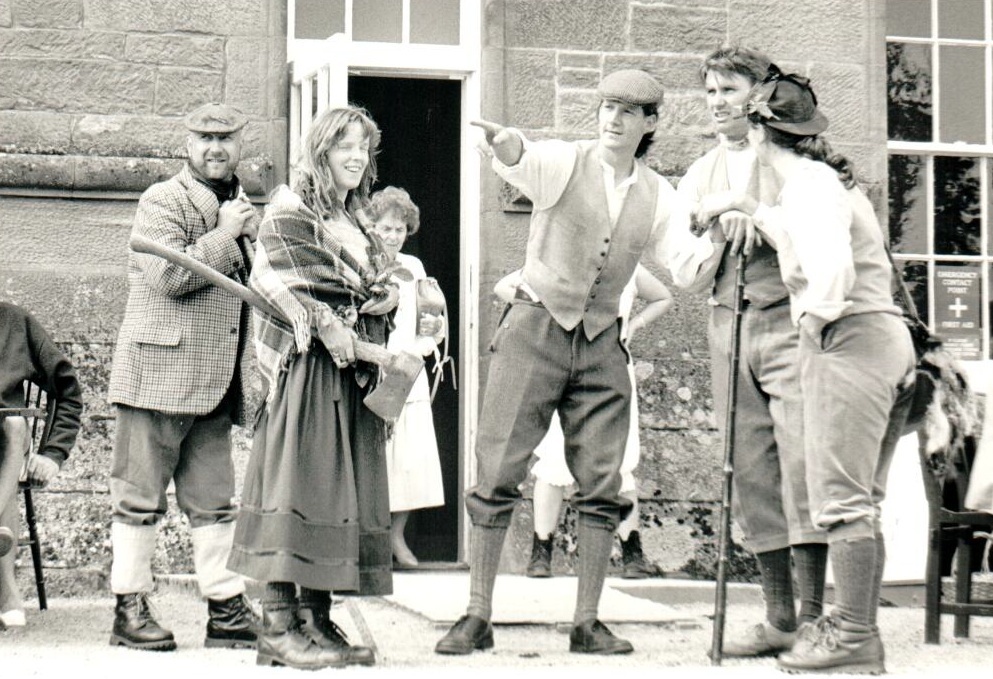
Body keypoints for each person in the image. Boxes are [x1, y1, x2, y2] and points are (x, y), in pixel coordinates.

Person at [435, 69, 689, 656]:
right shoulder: (566, 161)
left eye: (628, 111)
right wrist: (507, 146)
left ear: (650, 122)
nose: (612, 119)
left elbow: (686, 258)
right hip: (535, 328)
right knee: (498, 468)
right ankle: (477, 615)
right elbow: (525, 160)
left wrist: (720, 242)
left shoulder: (659, 194)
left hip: (603, 342)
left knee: (603, 480)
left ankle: (588, 622)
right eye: (606, 107)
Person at [699, 67, 916, 674]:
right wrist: (741, 202)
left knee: (840, 501)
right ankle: (850, 632)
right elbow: (794, 231)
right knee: (859, 500)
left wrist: (815, 327)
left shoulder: (809, 187)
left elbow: (831, 273)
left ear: (759, 133)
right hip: (883, 340)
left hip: (849, 340)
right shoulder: (818, 182)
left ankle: (853, 637)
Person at [666, 46, 828, 658]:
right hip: (729, 326)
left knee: (803, 462)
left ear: (759, 95)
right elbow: (682, 270)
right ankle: (779, 617)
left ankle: (816, 621)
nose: (718, 103)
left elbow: (820, 244)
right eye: (710, 91)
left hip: (790, 322)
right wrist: (713, 235)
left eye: (730, 90)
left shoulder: (796, 163)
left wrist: (756, 217)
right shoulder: (699, 173)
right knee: (752, 469)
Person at [226, 106, 400, 670]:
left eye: (363, 147)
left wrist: (386, 296)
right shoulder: (289, 210)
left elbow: (369, 282)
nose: (356, 156)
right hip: (309, 371)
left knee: (335, 495)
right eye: (344, 145)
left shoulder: (360, 219)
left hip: (352, 374)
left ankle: (315, 619)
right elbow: (276, 278)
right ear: (320, 151)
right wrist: (325, 320)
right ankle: (278, 627)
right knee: (298, 487)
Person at [106, 103, 259, 652]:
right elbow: (170, 275)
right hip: (157, 375)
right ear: (187, 145)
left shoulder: (242, 206)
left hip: (214, 379)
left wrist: (243, 232)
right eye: (204, 138)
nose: (216, 148)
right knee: (138, 498)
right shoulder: (162, 199)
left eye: (226, 138)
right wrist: (226, 234)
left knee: (215, 501)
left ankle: (226, 609)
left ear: (240, 145)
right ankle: (128, 608)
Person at [494, 265, 672, 579]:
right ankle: (541, 553)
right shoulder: (557, 259)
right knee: (553, 457)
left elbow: (663, 297)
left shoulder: (628, 265)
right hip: (562, 366)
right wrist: (542, 314)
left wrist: (635, 324)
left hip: (611, 367)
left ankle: (632, 554)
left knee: (618, 459)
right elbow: (503, 286)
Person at [366, 186, 447, 569]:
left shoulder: (414, 268)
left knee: (410, 462)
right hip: (371, 368)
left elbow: (432, 321)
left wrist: (432, 332)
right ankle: (372, 538)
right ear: (372, 227)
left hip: (408, 370)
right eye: (385, 228)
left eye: (400, 229)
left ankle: (396, 537)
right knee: (375, 458)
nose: (393, 236)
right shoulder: (362, 261)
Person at [0, 302, 82, 629]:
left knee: (15, 425)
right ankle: (6, 594)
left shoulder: (16, 322)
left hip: (4, 447)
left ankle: (6, 595)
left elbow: (68, 392)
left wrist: (52, 453)